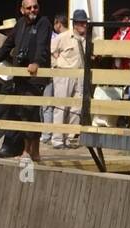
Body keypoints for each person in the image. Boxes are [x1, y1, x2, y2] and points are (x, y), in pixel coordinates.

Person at [0, 0, 52, 160]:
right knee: (21, 112)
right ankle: (25, 150)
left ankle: (32, 152)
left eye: (35, 7)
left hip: (35, 77)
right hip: (19, 76)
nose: (33, 10)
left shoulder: (44, 22)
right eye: (29, 7)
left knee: (31, 112)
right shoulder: (20, 24)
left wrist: (36, 62)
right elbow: (8, 45)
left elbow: (42, 46)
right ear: (22, 9)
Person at [49, 10, 87, 147]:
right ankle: (58, 139)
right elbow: (51, 51)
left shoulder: (87, 39)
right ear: (75, 24)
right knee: (61, 106)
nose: (84, 25)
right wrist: (56, 67)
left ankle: (70, 138)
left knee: (76, 108)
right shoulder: (63, 37)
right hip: (64, 74)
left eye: (85, 22)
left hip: (80, 75)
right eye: (81, 22)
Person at [41, 14, 67, 143]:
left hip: (51, 74)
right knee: (48, 105)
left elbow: (54, 54)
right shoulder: (57, 37)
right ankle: (50, 133)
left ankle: (47, 134)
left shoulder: (55, 38)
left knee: (47, 105)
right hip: (52, 74)